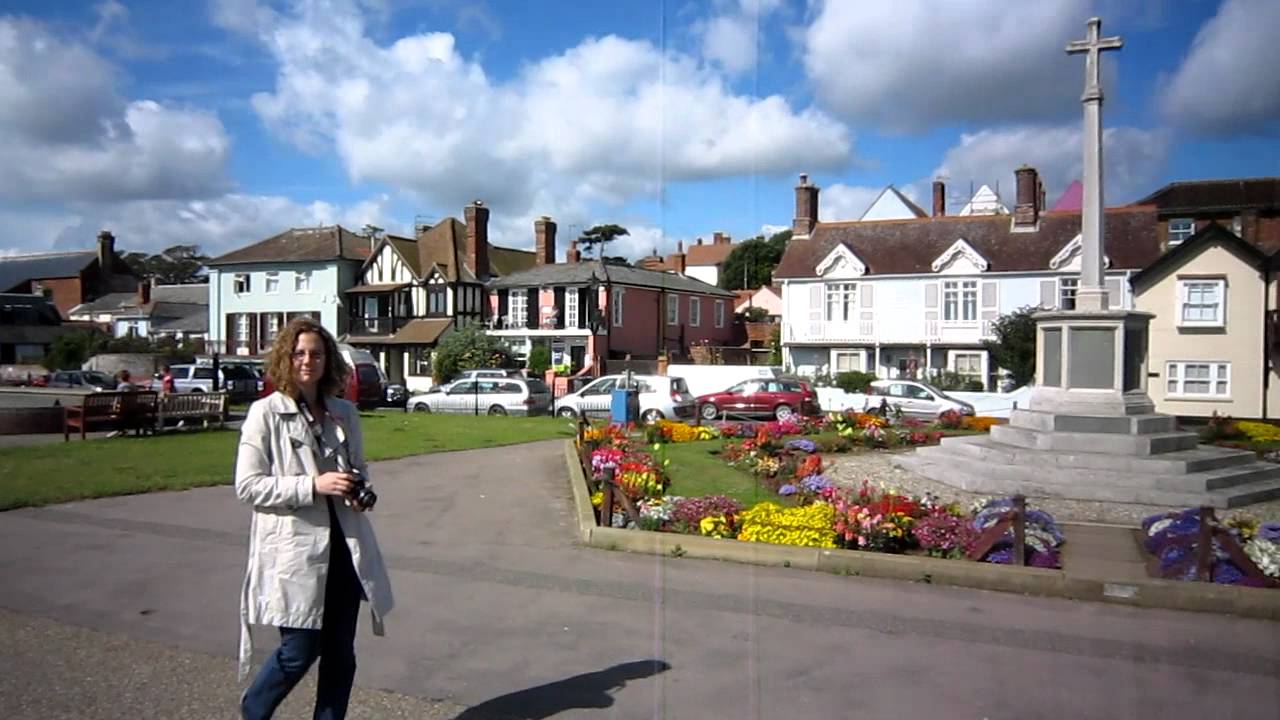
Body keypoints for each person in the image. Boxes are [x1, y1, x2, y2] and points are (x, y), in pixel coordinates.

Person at [235, 318, 393, 720]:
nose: (308, 361)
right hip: (297, 550)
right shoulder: (265, 414)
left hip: (345, 549)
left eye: (317, 354)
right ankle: (254, 709)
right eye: (300, 353)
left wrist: (358, 489)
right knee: (299, 650)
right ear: (286, 358)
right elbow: (248, 486)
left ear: (328, 360)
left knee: (341, 655)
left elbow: (358, 467)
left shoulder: (344, 412)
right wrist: (312, 485)